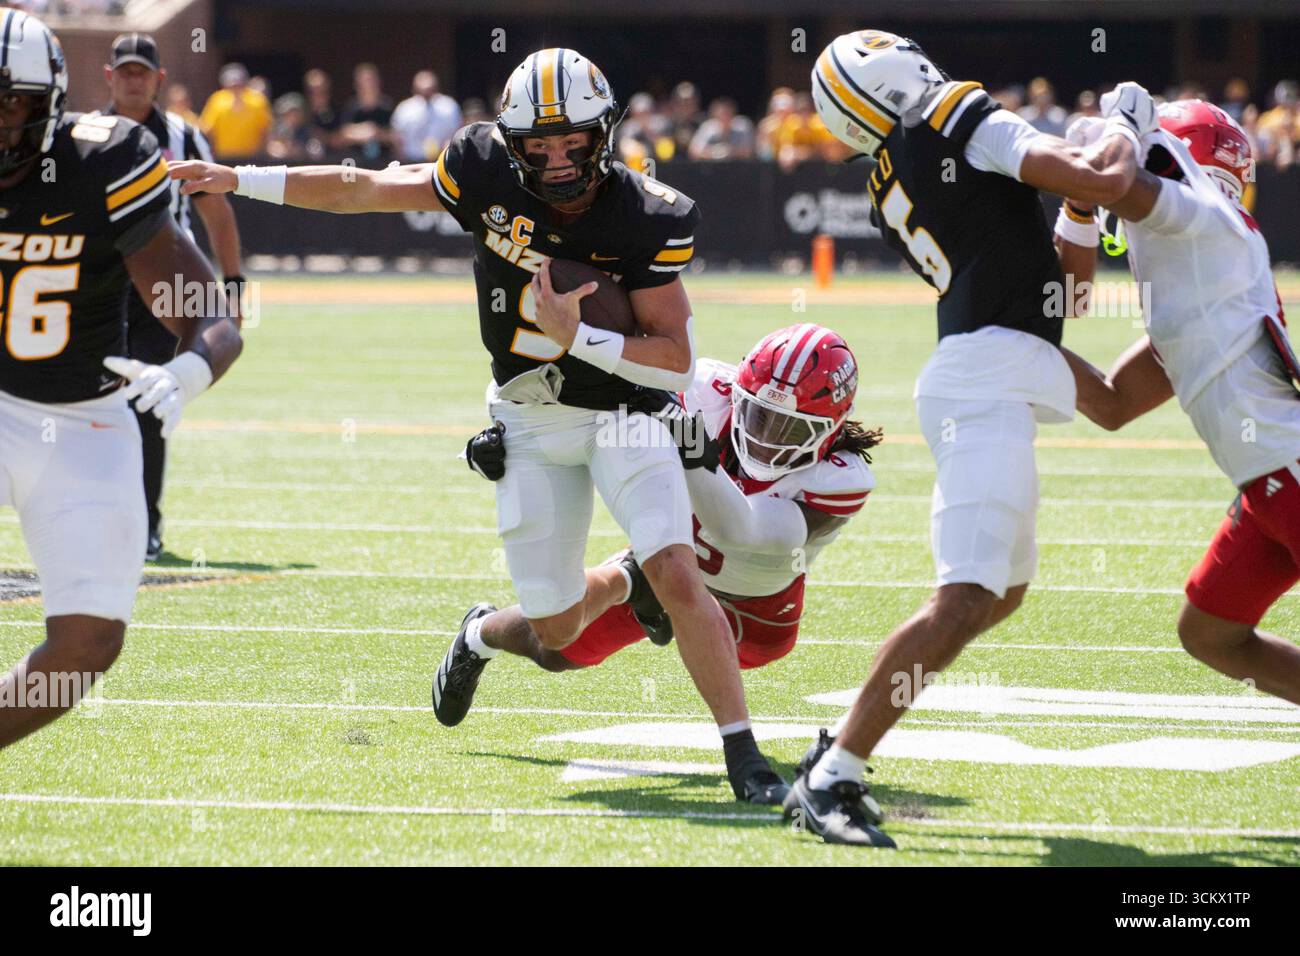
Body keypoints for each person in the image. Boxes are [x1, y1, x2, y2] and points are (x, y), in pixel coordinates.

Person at [169, 47, 787, 804]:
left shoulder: (644, 213)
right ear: (512, 145)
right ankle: (479, 634)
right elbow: (365, 188)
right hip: (528, 419)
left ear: (605, 135)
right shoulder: (481, 170)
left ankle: (744, 756)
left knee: (679, 572)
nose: (558, 162)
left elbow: (674, 364)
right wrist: (244, 179)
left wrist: (581, 338)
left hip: (624, 414)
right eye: (539, 147)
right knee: (556, 628)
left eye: (573, 144)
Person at [795, 28, 1158, 845]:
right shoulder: (952, 113)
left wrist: (1082, 205)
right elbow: (1102, 172)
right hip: (987, 372)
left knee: (999, 594)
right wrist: (1124, 130)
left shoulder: (901, 171)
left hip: (997, 356)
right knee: (964, 598)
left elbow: (1061, 299)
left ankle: (850, 735)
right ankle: (834, 773)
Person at [450, 328, 880, 751]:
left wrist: (690, 449)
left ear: (832, 429)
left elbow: (742, 530)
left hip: (757, 608)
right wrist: (518, 442)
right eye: (758, 415)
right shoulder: (702, 390)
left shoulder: (843, 478)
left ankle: (637, 584)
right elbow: (586, 401)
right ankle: (480, 634)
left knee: (758, 652)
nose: (765, 438)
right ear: (738, 392)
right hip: (670, 560)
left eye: (791, 430)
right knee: (555, 650)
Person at [0, 10, 242, 749]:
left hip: (85, 426)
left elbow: (207, 314)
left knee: (86, 648)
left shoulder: (99, 161)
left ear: (51, 102)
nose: (0, 119)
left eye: (12, 101)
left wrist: (192, 371)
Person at [1054, 100, 1300, 709]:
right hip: (1266, 483)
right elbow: (1111, 403)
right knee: (1211, 632)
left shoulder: (1205, 222)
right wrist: (1010, 336)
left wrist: (1094, 161)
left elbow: (1115, 183)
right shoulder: (1198, 287)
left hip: (1289, 474)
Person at [100, 32, 245, 561]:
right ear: (108, 76)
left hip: (167, 283)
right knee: (92, 399)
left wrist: (231, 285)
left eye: (143, 71)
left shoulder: (184, 136)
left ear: (159, 80)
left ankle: (147, 524)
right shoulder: (86, 136)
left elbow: (216, 212)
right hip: (102, 282)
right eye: (126, 71)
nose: (134, 79)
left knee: (149, 401)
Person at [199, 62, 272, 159]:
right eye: (232, 85)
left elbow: (265, 130)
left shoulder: (258, 101)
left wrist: (264, 154)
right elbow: (207, 129)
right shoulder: (217, 100)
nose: (236, 88)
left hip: (252, 157)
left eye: (239, 84)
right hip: (224, 157)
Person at [391, 70, 461, 163]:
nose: (426, 94)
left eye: (430, 90)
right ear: (414, 89)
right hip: (411, 161)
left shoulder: (449, 106)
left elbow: (456, 132)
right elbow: (397, 137)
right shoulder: (404, 108)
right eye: (422, 91)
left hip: (440, 161)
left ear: (436, 88)